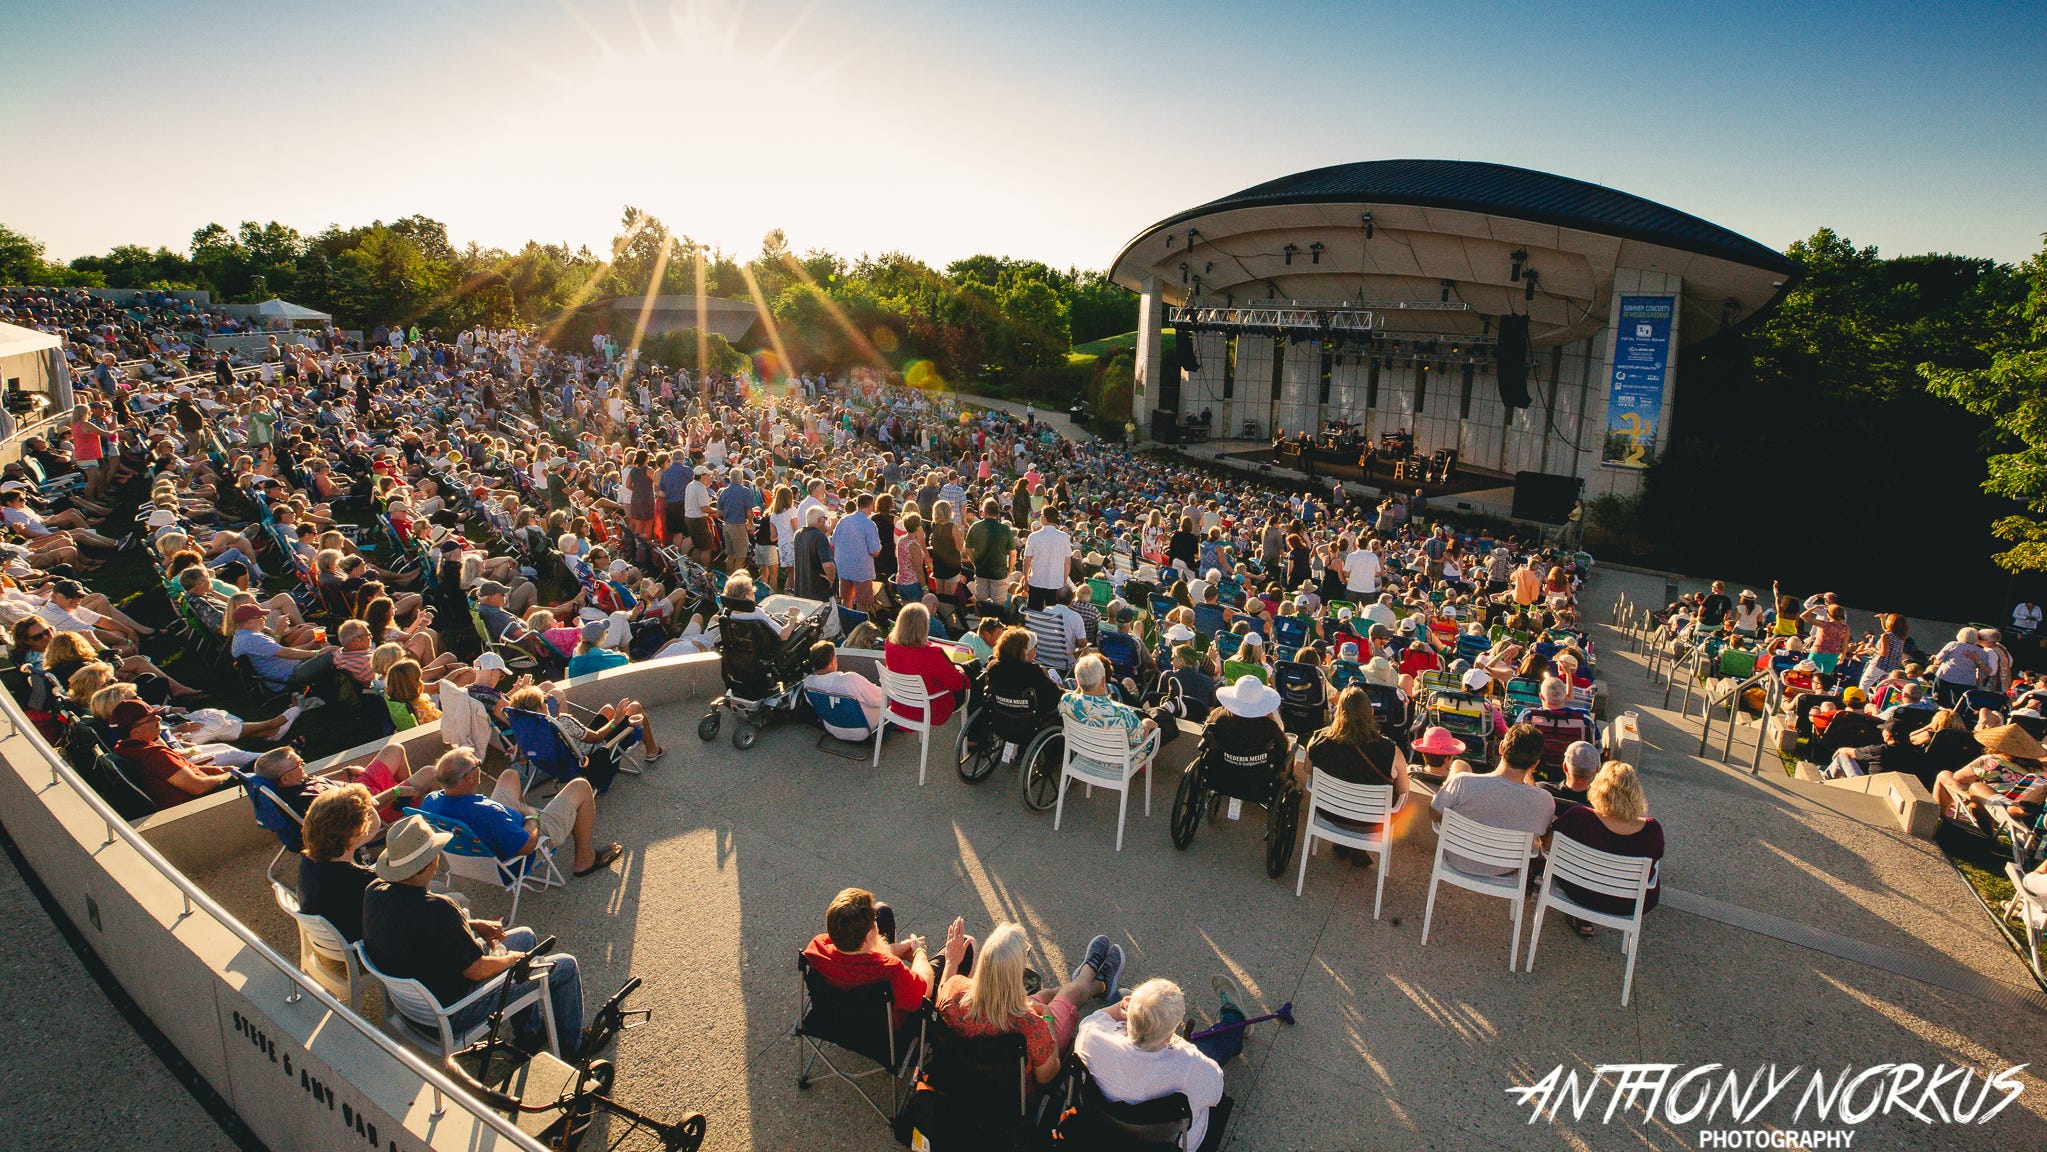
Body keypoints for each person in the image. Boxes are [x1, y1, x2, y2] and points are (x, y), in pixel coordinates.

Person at [362, 815, 587, 1059]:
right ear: (430, 863)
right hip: (454, 1012)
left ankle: (529, 1033)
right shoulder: (438, 909)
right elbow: (477, 970)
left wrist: (472, 924)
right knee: (564, 966)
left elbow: (414, 924)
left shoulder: (374, 892)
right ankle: (573, 1049)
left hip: (415, 1009)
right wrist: (513, 959)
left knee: (525, 935)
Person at [936, 923, 1122, 1087]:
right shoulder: (1033, 1027)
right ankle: (1093, 979)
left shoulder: (953, 992)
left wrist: (952, 961)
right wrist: (1047, 1016)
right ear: (1018, 971)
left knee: (1045, 994)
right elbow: (1047, 1076)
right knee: (1068, 996)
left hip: (964, 1081)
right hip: (1014, 1097)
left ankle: (1092, 980)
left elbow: (941, 998)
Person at [1075, 977, 1237, 1152]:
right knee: (1214, 1046)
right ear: (1170, 1035)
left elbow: (1100, 1016)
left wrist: (1127, 1005)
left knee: (1121, 994)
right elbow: (1215, 1093)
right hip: (1166, 1142)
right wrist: (1185, 1048)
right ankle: (1235, 1020)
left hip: (1103, 1124)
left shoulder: (1091, 1033)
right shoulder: (1190, 1064)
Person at [418, 747, 622, 877]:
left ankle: (518, 819)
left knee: (509, 775)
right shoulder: (490, 813)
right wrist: (531, 816)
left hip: (480, 846)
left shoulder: (431, 802)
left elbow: (487, 814)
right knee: (580, 785)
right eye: (477, 765)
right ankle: (585, 860)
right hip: (517, 855)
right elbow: (526, 846)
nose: (479, 767)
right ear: (471, 777)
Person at [802, 887, 971, 1028]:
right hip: (886, 1031)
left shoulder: (816, 947)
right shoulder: (891, 970)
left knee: (883, 911)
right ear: (869, 937)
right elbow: (924, 988)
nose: (876, 925)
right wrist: (919, 952)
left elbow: (860, 958)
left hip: (835, 1016)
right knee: (967, 946)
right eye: (874, 926)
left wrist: (899, 948)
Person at [1545, 761, 1664, 937]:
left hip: (1578, 891)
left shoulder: (1578, 816)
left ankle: (1580, 914)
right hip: (1628, 903)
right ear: (1636, 792)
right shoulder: (1652, 831)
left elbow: (1547, 846)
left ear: (1598, 786)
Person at [1300, 686, 1409, 865]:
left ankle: (1344, 843)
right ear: (1371, 712)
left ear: (1338, 712)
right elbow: (1403, 789)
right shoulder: (1391, 751)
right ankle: (1354, 845)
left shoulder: (1319, 740)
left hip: (1329, 813)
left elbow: (1307, 769)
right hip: (1371, 824)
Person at [1429, 723, 1554, 877]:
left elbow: (1434, 815)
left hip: (1457, 859)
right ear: (1535, 764)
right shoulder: (1545, 802)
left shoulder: (1462, 782)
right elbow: (1542, 843)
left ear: (1501, 748)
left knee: (1458, 765)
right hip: (1505, 868)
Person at [109, 698, 233, 810]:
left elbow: (175, 772)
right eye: (151, 718)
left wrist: (217, 770)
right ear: (136, 732)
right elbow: (197, 787)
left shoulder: (123, 748)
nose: (159, 719)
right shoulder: (155, 755)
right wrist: (230, 775)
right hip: (200, 807)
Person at [296, 783, 382, 942]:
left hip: (333, 946)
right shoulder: (365, 881)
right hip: (366, 952)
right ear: (356, 834)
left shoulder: (307, 863)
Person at [883, 602, 968, 726]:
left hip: (900, 705)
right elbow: (957, 684)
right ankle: (973, 738)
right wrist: (961, 670)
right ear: (924, 627)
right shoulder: (932, 654)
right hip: (927, 710)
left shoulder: (889, 645)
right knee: (971, 683)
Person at [802, 640, 885, 740]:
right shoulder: (850, 679)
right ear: (832, 661)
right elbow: (880, 699)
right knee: (886, 698)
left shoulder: (808, 683)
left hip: (831, 727)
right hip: (862, 731)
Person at [1023, 505, 1073, 609]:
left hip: (1037, 581)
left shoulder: (1033, 536)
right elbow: (1067, 562)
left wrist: (1026, 579)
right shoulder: (1064, 537)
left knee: (1033, 613)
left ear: (1044, 518)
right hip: (1056, 583)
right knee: (1052, 615)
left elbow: (1027, 561)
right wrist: (1063, 581)